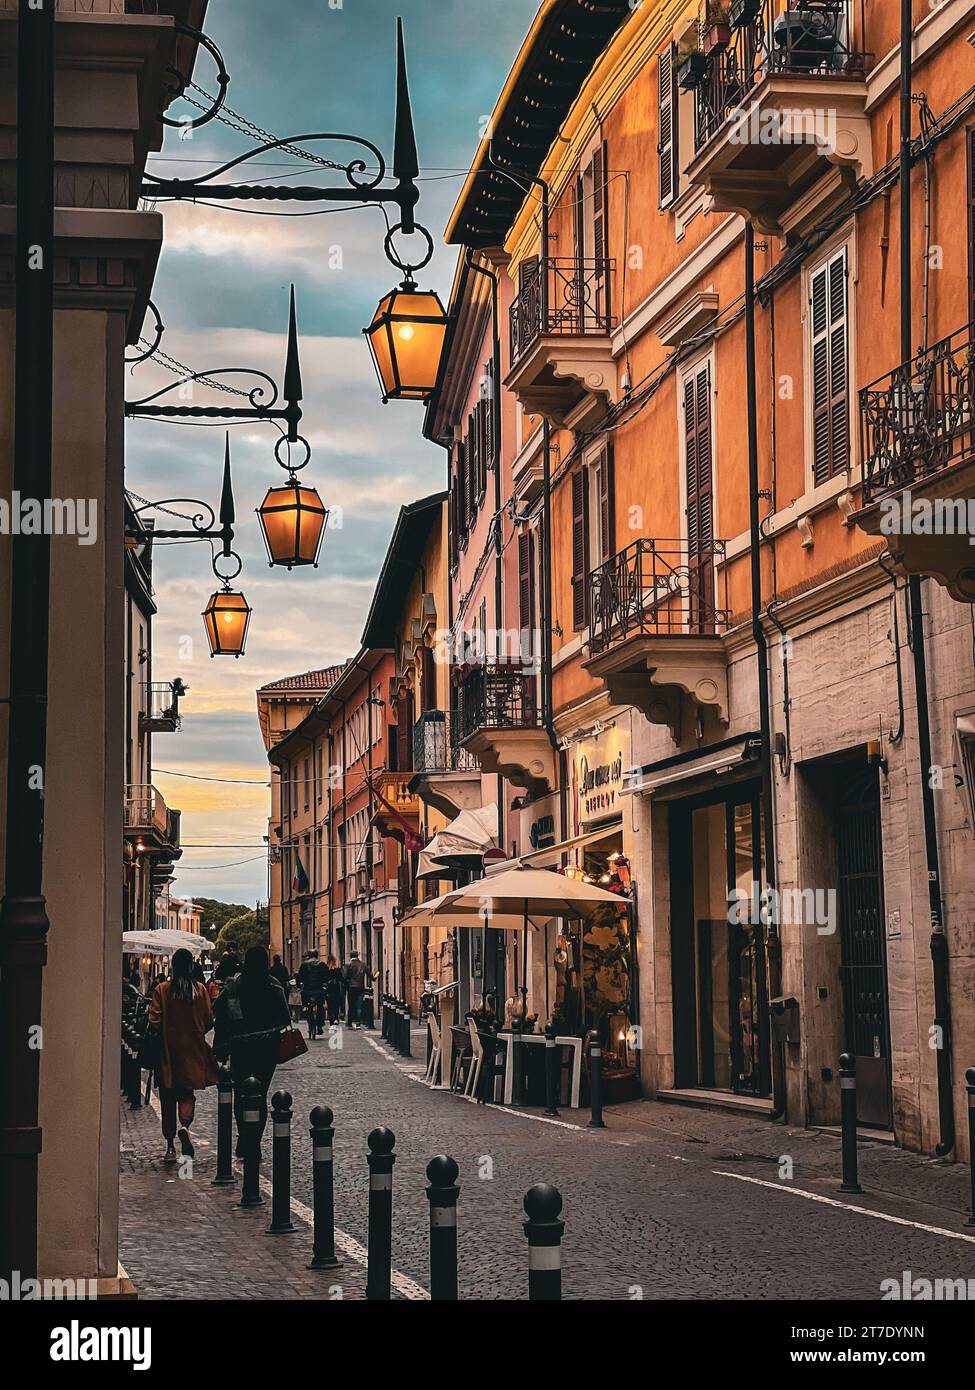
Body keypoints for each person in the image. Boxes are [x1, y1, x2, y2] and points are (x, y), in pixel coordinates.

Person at [213, 945, 291, 1153]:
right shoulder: (273, 985)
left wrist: (223, 1042)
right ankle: (254, 1141)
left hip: (240, 1047)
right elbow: (285, 1016)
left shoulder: (235, 985)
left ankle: (244, 1136)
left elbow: (218, 1011)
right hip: (267, 1048)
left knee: (241, 1093)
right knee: (260, 1094)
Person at [147, 948, 219, 1164]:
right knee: (187, 1095)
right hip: (193, 1050)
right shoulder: (199, 990)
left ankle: (170, 1147)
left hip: (168, 1051)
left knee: (168, 1098)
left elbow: (154, 1021)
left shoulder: (162, 990)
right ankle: (185, 1127)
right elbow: (208, 1019)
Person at [295, 950, 327, 1036]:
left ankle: (305, 1007)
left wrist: (299, 986)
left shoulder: (304, 964)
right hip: (319, 990)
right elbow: (327, 976)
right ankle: (319, 1026)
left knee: (306, 1003)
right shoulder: (322, 964)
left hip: (307, 990)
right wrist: (325, 984)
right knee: (320, 1006)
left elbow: (299, 976)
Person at [342, 949, 368, 1029]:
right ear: (357, 955)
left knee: (351, 1005)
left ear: (350, 956)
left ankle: (349, 1022)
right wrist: (375, 976)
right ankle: (358, 1022)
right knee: (359, 1005)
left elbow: (345, 976)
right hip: (360, 987)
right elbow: (370, 975)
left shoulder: (348, 965)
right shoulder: (363, 964)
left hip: (351, 987)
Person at [324, 955, 343, 1025]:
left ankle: (331, 1019)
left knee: (330, 1005)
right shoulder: (337, 969)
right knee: (336, 1005)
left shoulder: (326, 969)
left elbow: (324, 979)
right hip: (336, 989)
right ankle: (336, 1018)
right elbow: (341, 979)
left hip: (328, 989)